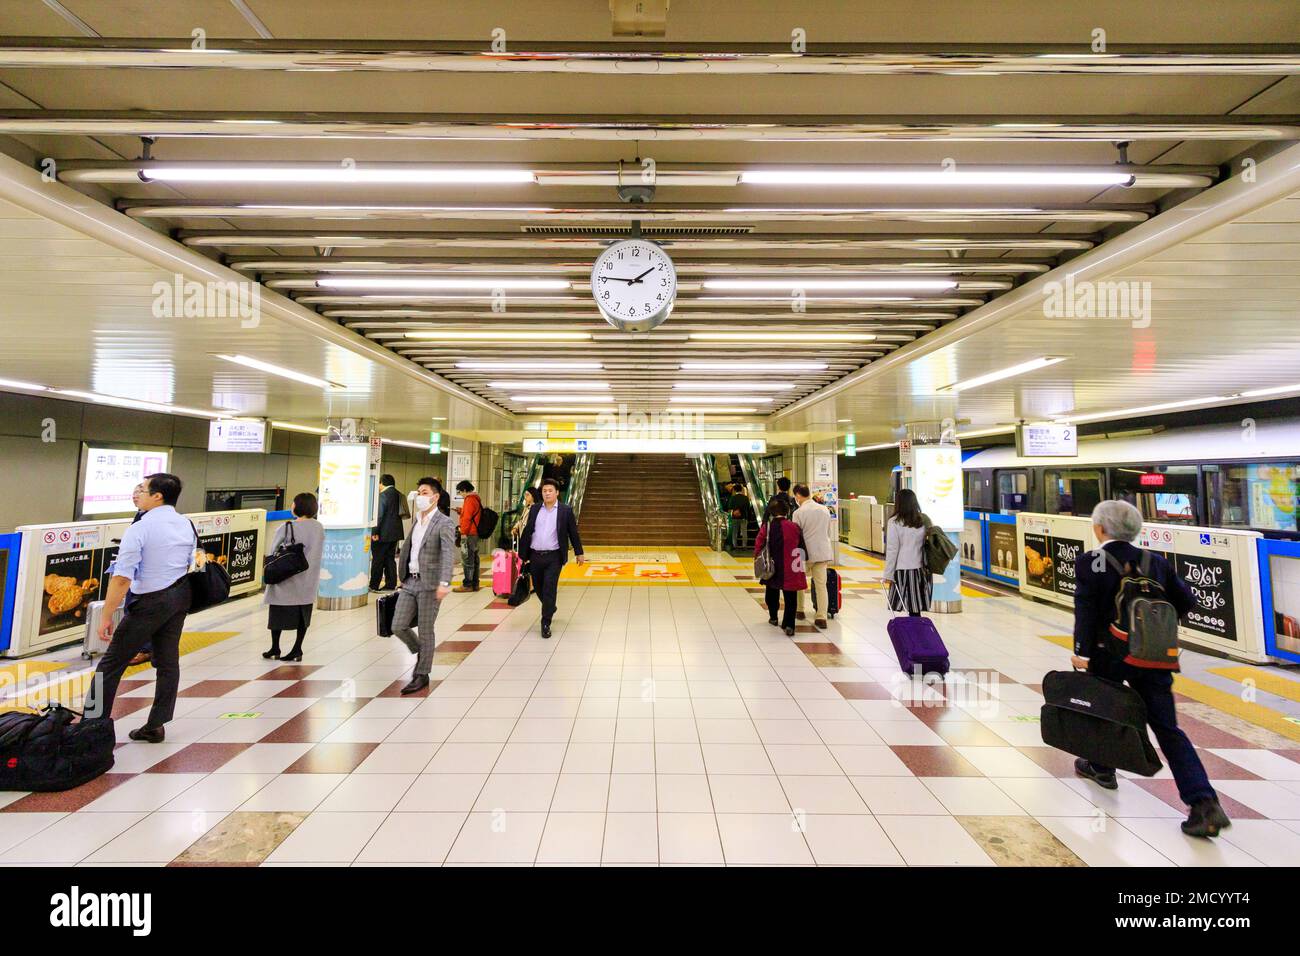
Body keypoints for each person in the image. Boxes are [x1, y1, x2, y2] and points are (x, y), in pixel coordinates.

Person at [1070, 499, 1231, 838]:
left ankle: (1102, 768)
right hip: (1153, 656)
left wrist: (1082, 652)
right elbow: (1185, 601)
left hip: (1108, 653)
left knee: (1107, 712)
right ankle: (1204, 803)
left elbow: (1085, 610)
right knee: (1168, 729)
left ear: (1100, 529)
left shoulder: (1092, 561)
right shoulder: (1155, 561)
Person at [83, 473, 194, 743]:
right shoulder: (185, 523)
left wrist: (106, 615)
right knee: (168, 663)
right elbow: (196, 560)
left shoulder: (141, 528)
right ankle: (156, 724)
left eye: (143, 489)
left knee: (109, 666)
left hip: (150, 602)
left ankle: (90, 729)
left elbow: (122, 577)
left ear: (158, 496)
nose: (138, 493)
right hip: (179, 597)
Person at [392, 478, 456, 694]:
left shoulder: (444, 523)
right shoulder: (417, 520)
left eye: (424, 492)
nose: (420, 496)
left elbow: (448, 554)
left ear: (435, 497)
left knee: (426, 629)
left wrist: (445, 582)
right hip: (410, 581)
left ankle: (422, 674)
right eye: (418, 492)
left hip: (430, 584)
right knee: (398, 625)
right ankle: (423, 652)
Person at [518, 477, 586, 639]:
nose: (547, 493)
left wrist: (579, 552)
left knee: (549, 587)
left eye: (550, 491)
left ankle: (545, 622)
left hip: (554, 556)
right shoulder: (534, 509)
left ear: (556, 493)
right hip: (535, 555)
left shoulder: (565, 510)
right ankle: (550, 606)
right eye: (544, 491)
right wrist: (523, 554)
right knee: (540, 588)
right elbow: (528, 531)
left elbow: (573, 533)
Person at [263, 492, 325, 661]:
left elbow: (273, 550)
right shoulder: (319, 527)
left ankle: (275, 647)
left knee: (277, 614)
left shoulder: (286, 527)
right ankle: (297, 648)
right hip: (308, 579)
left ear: (297, 506)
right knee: (303, 616)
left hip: (285, 579)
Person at [754, 497, 807, 636]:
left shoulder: (768, 527)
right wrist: (801, 564)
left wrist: (757, 559)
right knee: (791, 597)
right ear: (787, 511)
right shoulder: (795, 527)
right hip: (791, 566)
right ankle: (789, 625)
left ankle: (773, 617)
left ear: (771, 512)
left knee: (771, 592)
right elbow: (801, 547)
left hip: (772, 566)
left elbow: (759, 544)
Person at [791, 482, 834, 629]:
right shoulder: (824, 510)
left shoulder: (798, 513)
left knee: (799, 583)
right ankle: (821, 617)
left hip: (803, 553)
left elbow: (795, 535)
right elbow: (828, 532)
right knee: (821, 585)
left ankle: (800, 610)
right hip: (822, 551)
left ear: (798, 496)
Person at [883, 488, 932, 616]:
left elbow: (893, 550)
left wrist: (888, 574)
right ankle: (917, 631)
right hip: (920, 570)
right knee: (915, 607)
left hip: (903, 570)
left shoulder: (894, 522)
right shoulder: (922, 520)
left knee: (906, 605)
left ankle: (912, 632)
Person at [369, 474, 404, 592]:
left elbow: (379, 515)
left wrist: (375, 531)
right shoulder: (398, 494)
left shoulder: (383, 495)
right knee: (390, 558)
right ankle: (390, 584)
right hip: (395, 533)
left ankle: (373, 585)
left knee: (377, 559)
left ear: (382, 483)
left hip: (383, 533)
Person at [453, 479, 484, 592]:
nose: (460, 494)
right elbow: (471, 514)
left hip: (469, 533)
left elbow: (467, 518)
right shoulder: (475, 499)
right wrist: (461, 510)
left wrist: (463, 532)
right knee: (474, 558)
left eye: (460, 492)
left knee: (467, 559)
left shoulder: (469, 500)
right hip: (474, 533)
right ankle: (475, 583)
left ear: (465, 490)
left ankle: (467, 584)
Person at [727, 484, 753, 550]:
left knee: (734, 532)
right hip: (744, 517)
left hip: (735, 517)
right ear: (741, 490)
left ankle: (735, 545)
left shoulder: (733, 498)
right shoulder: (745, 498)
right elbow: (748, 508)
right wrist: (749, 517)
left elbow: (729, 507)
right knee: (744, 532)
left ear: (735, 490)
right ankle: (744, 546)